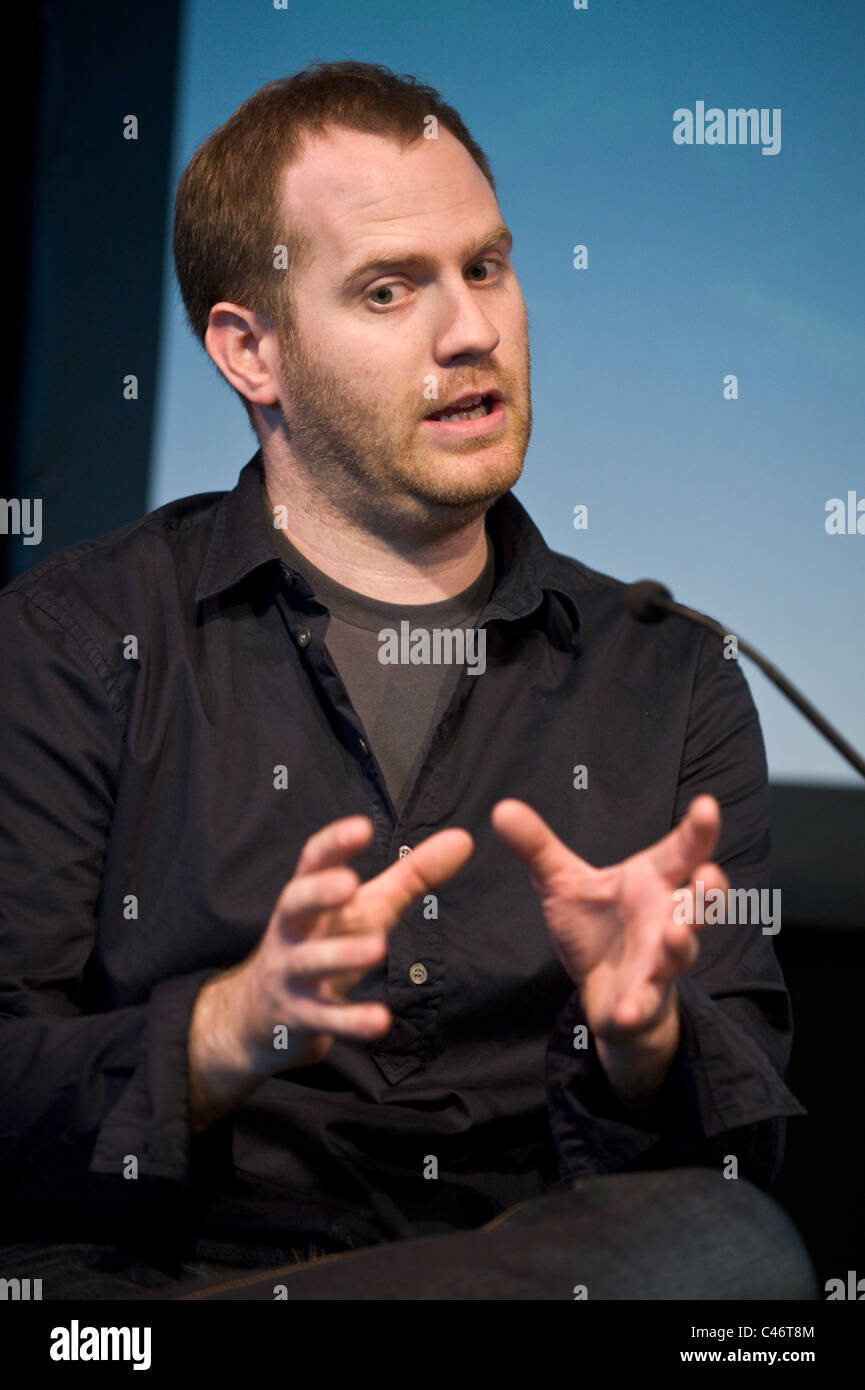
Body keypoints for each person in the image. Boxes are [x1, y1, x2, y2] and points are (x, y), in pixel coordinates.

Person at [0, 61, 816, 1301]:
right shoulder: (75, 638)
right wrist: (226, 1029)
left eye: (485, 267)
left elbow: (741, 1150)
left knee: (729, 1257)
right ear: (250, 350)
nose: (470, 330)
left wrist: (641, 1038)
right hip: (163, 1288)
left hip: (535, 1274)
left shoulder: (671, 673)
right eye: (391, 289)